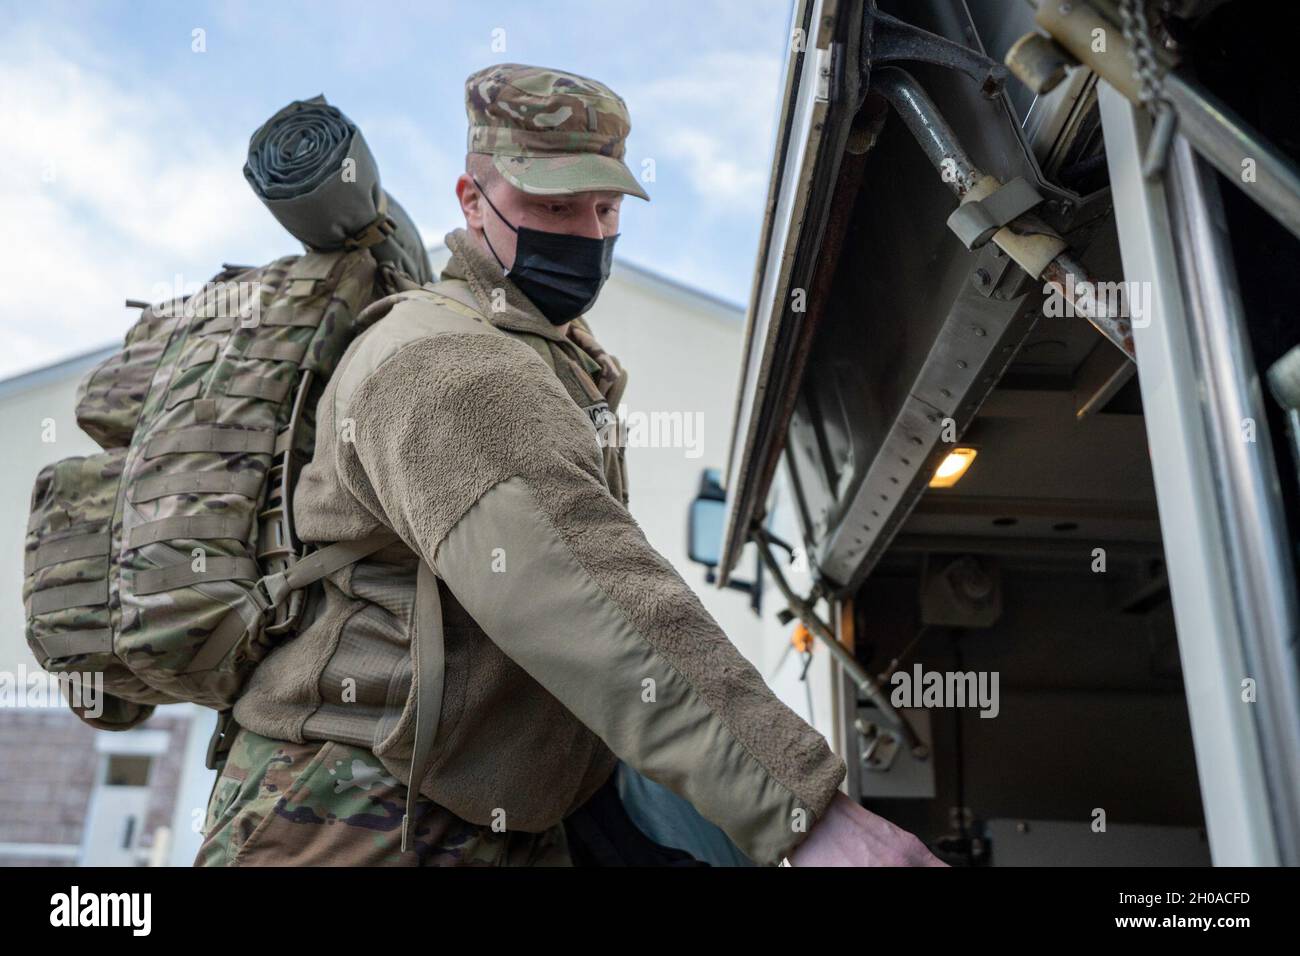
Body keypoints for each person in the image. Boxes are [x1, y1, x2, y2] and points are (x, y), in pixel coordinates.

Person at [196, 62, 942, 868]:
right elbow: (588, 597)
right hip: (351, 820)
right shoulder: (447, 364)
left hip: (469, 811)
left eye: (605, 207)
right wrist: (805, 811)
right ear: (471, 200)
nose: (587, 234)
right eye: (552, 206)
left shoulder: (537, 355)